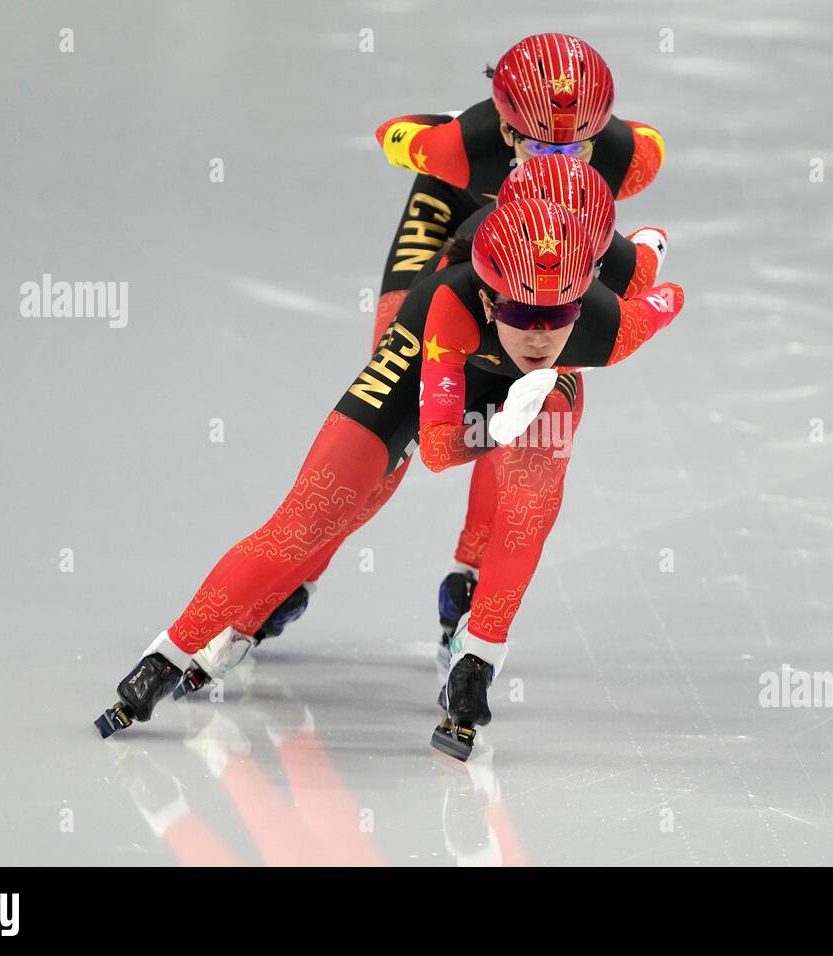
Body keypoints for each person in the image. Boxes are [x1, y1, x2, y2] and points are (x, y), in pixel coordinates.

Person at [94, 197, 682, 755]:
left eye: (558, 315)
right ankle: (165, 654)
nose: (538, 334)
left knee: (532, 498)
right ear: (487, 301)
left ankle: (476, 663)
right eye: (520, 313)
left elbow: (665, 292)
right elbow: (440, 450)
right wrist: (496, 428)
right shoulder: (450, 305)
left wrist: (648, 245)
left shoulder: (604, 328)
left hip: (537, 392)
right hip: (420, 370)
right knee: (309, 517)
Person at [178, 156, 665, 693]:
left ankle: (474, 616)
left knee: (531, 482)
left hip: (531, 356)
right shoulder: (463, 256)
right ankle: (287, 582)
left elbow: (653, 281)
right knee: (368, 474)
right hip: (446, 330)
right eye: (530, 140)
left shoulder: (602, 269)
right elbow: (429, 426)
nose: (552, 149)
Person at [371, 32, 666, 354]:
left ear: (597, 136)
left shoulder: (630, 162)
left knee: (550, 344)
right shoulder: (461, 150)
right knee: (399, 344)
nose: (556, 163)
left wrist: (644, 249)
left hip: (556, 225)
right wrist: (453, 123)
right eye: (538, 146)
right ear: (504, 130)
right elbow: (390, 135)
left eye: (575, 148)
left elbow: (638, 274)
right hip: (453, 205)